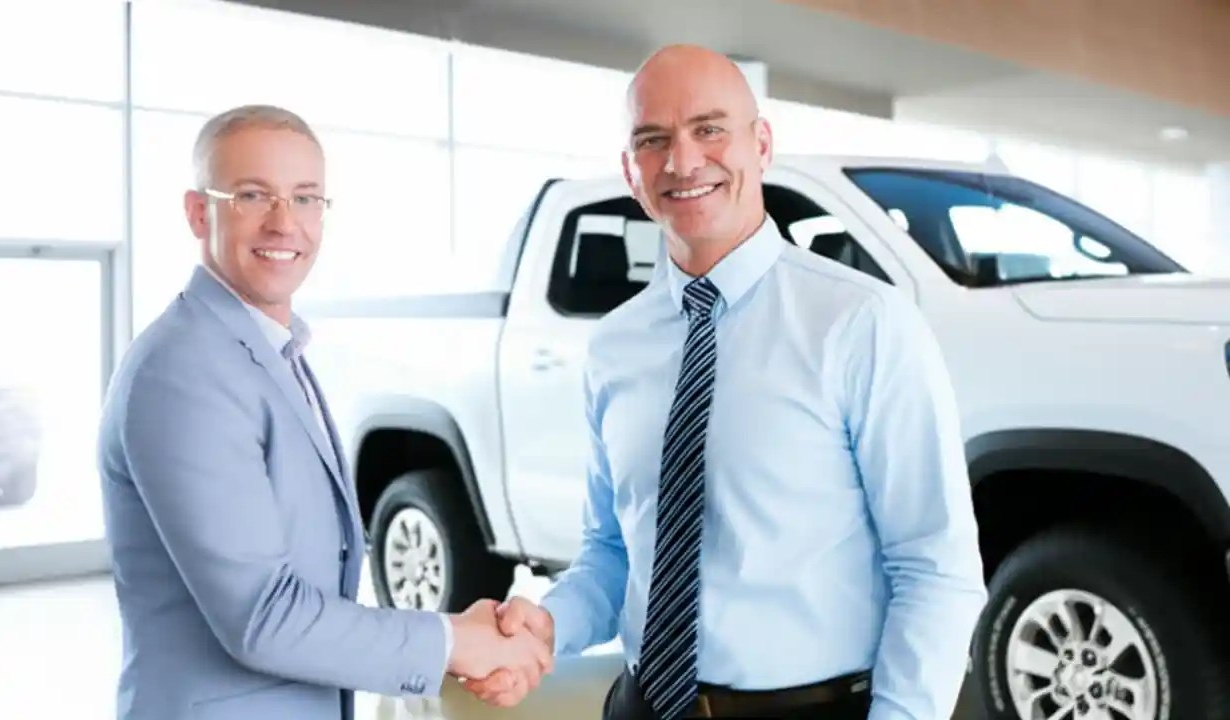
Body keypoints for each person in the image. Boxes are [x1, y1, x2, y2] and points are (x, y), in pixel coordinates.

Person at [464, 45, 988, 719]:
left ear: (761, 144)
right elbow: (610, 553)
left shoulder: (864, 324)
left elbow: (934, 566)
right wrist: (547, 624)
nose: (682, 162)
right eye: (653, 140)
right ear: (631, 170)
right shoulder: (615, 345)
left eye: (709, 129)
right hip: (642, 705)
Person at [96, 104, 551, 720]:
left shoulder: (272, 350)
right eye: (254, 195)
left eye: (306, 198)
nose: (286, 223)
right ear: (199, 212)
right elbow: (264, 617)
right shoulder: (184, 371)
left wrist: (454, 628)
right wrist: (455, 643)